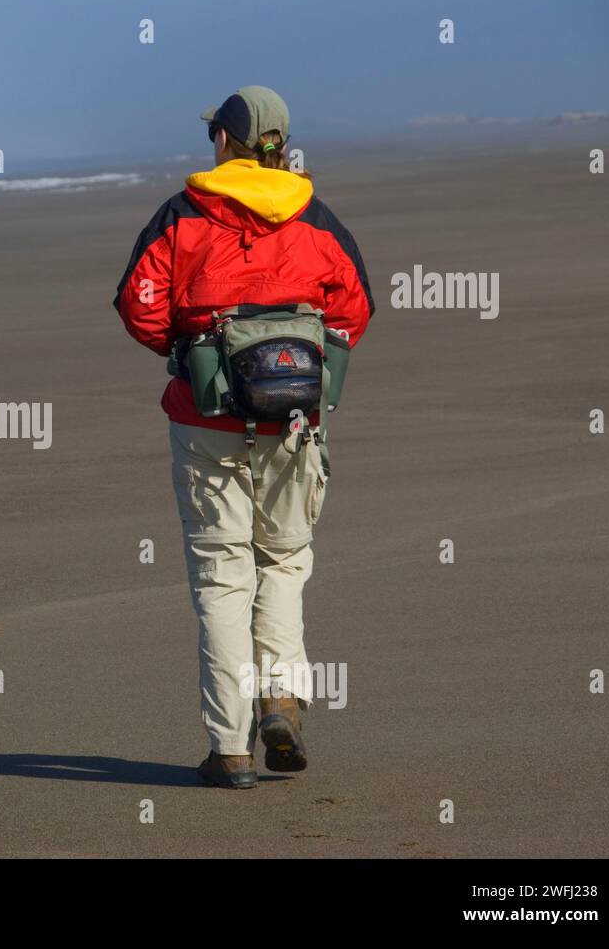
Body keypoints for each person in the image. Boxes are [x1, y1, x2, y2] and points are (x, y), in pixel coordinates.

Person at [113, 86, 374, 788]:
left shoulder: (183, 214)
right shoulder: (312, 215)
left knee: (224, 579)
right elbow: (355, 306)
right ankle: (281, 700)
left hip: (206, 421)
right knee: (284, 564)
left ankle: (230, 750)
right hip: (295, 419)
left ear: (225, 141)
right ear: (281, 145)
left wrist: (192, 351)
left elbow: (137, 303)